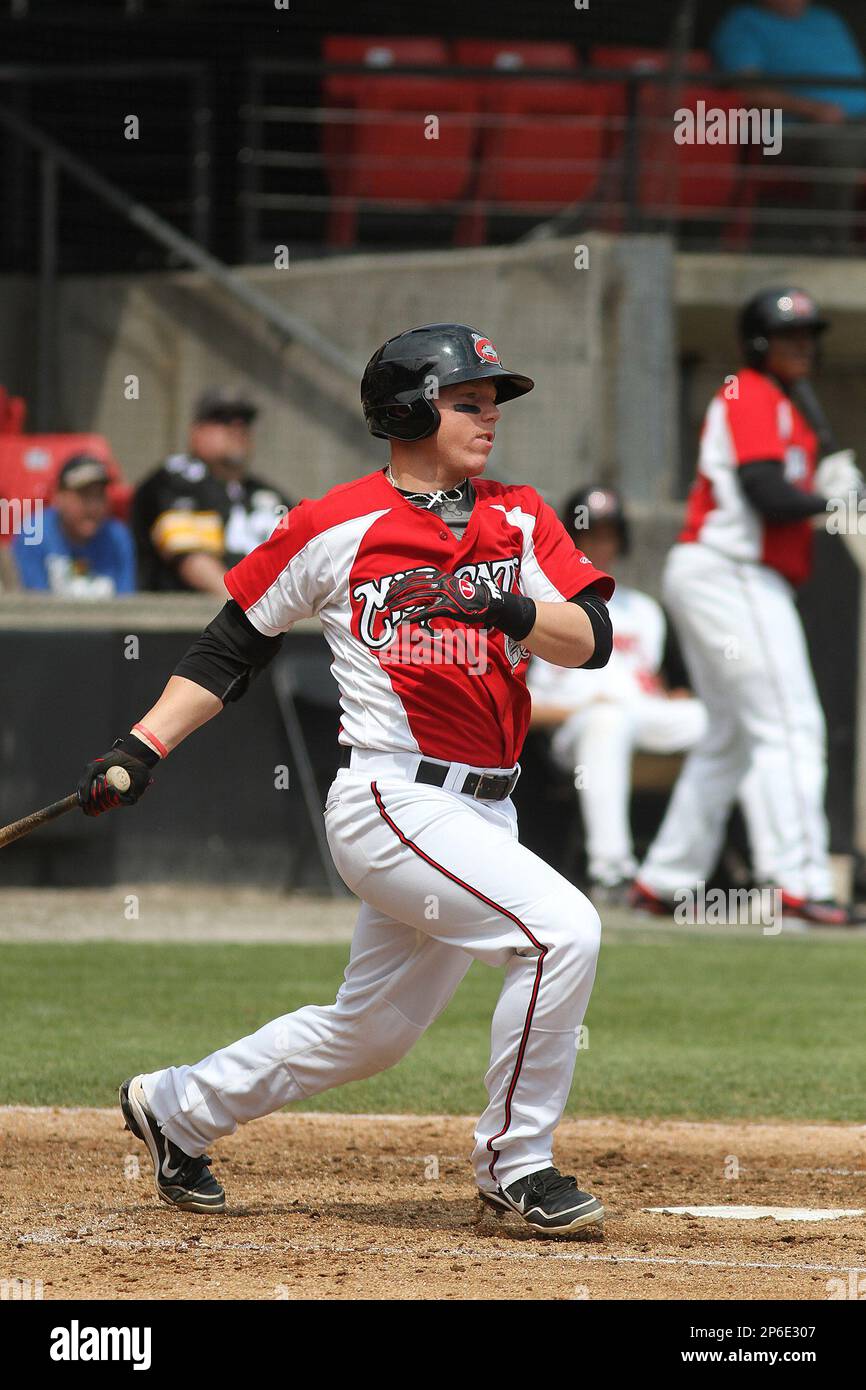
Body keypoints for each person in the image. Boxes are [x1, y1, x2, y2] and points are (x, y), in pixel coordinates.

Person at [75, 324, 616, 1236]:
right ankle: (516, 1164)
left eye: (494, 403)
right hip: (392, 801)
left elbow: (593, 639)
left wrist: (509, 604)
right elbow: (229, 649)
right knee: (565, 933)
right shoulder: (333, 524)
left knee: (372, 1033)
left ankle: (176, 1108)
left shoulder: (518, 513)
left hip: (489, 809)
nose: (490, 420)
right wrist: (140, 746)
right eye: (468, 402)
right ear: (407, 411)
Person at [629, 287, 861, 927]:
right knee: (790, 726)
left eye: (809, 337)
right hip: (730, 570)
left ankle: (663, 877)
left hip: (733, 574)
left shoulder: (783, 404)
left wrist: (827, 491)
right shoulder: (748, 393)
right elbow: (766, 495)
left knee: (728, 737)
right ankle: (800, 881)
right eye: (789, 337)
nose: (802, 347)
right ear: (759, 343)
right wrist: (832, 501)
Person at [528, 485, 707, 904]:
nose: (598, 544)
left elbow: (672, 684)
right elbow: (515, 701)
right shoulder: (539, 604)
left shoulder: (644, 610)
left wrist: (676, 700)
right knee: (606, 722)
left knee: (722, 721)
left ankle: (687, 869)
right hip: (574, 725)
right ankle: (612, 872)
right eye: (588, 535)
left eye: (607, 535)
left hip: (643, 716)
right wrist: (582, 707)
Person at [711, 1, 866, 249]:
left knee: (851, 140)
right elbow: (748, 90)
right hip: (787, 130)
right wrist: (811, 108)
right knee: (842, 147)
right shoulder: (743, 23)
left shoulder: (827, 19)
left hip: (857, 122)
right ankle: (831, 245)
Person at [133, 387, 292, 594]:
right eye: (223, 418)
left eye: (244, 420)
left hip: (271, 618)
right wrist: (250, 612)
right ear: (196, 432)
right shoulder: (176, 480)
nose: (237, 427)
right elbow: (194, 561)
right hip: (192, 620)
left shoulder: (269, 495)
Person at [12, 454, 135, 598]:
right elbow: (33, 606)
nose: (93, 506)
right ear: (59, 496)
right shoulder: (33, 534)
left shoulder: (117, 537)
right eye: (84, 495)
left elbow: (126, 602)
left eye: (99, 495)